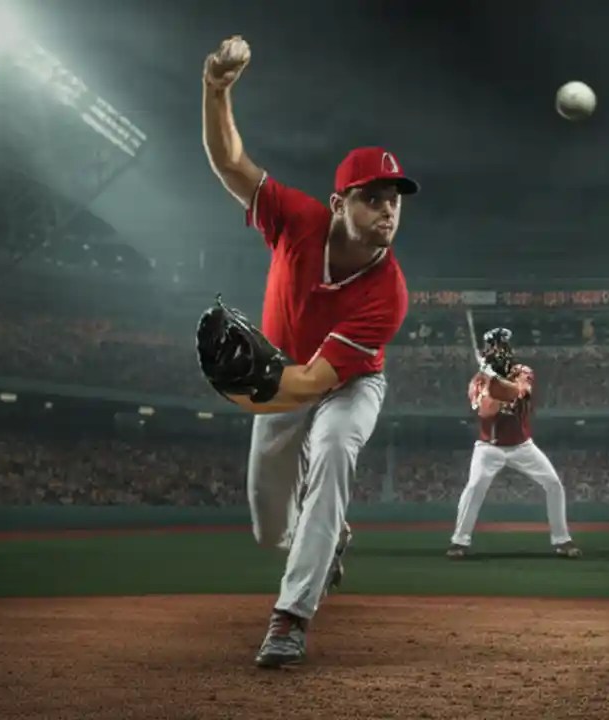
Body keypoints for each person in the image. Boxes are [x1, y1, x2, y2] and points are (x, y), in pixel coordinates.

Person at [201, 35, 414, 668]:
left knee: (334, 448)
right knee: (270, 527)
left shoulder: (388, 291)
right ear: (338, 203)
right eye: (372, 197)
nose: (387, 209)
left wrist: (236, 388)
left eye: (394, 199)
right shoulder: (297, 221)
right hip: (281, 381)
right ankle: (327, 537)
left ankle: (290, 618)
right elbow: (231, 163)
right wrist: (216, 90)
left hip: (346, 384)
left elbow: (314, 381)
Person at [447, 328, 580, 559]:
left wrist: (495, 378)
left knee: (554, 484)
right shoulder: (477, 381)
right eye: (495, 346)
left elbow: (519, 393)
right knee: (474, 487)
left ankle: (562, 540)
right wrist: (489, 380)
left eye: (502, 346)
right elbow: (487, 411)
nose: (499, 351)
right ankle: (459, 541)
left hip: (522, 446)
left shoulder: (522, 371)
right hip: (489, 448)